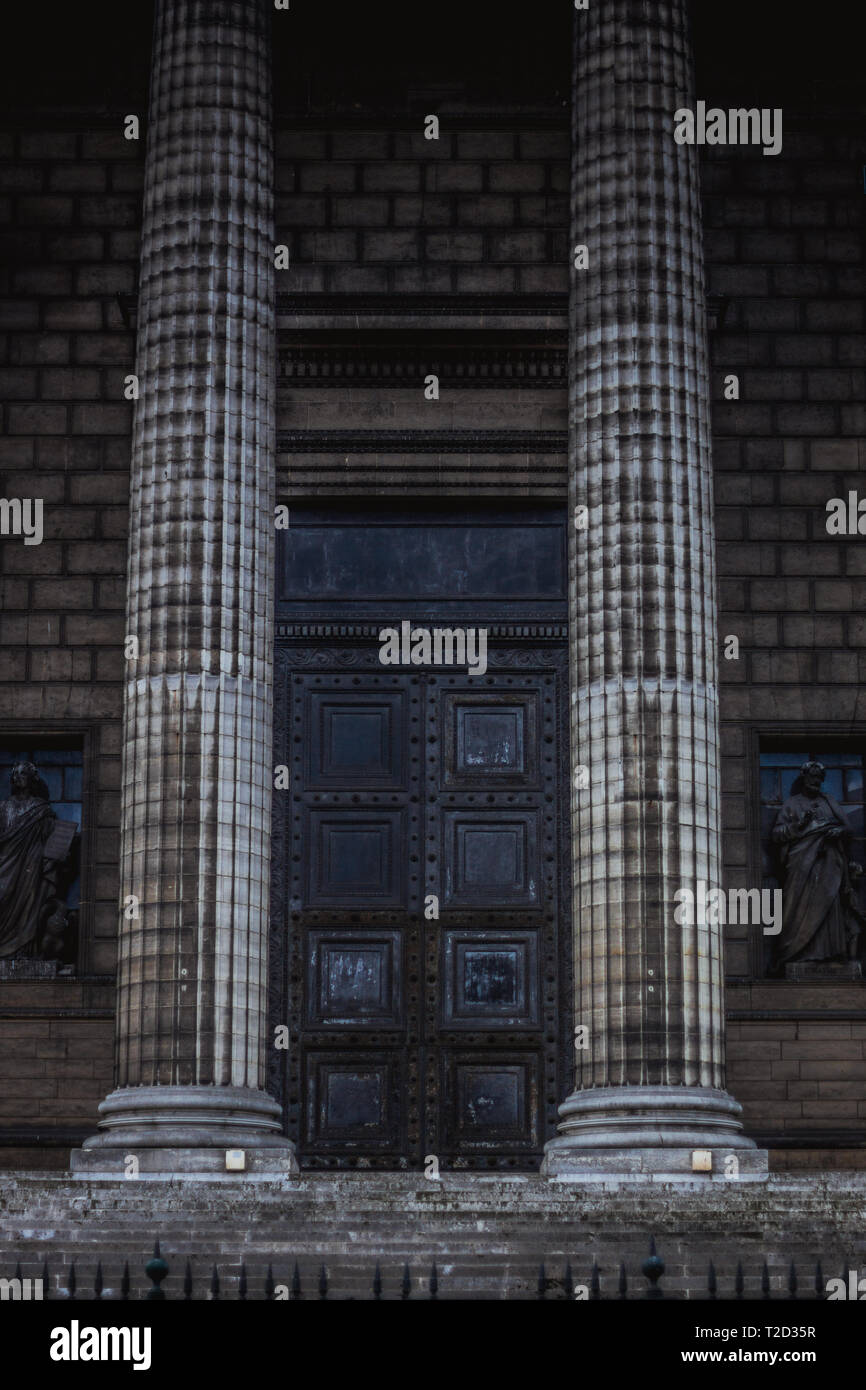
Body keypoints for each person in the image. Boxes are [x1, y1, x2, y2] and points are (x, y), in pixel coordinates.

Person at [770, 760, 864, 970]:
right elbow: (777, 835)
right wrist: (800, 825)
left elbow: (847, 828)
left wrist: (838, 831)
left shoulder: (829, 802)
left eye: (819, 779)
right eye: (812, 778)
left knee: (831, 909)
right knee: (799, 909)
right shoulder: (792, 804)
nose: (816, 782)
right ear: (804, 778)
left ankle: (832, 954)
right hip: (801, 867)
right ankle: (798, 952)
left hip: (830, 866)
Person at [0, 761, 67, 959]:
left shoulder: (41, 809)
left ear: (31, 779)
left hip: (31, 861)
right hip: (6, 861)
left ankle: (23, 949)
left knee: (30, 902)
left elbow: (51, 834)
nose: (19, 777)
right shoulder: (4, 807)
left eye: (23, 774)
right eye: (16, 774)